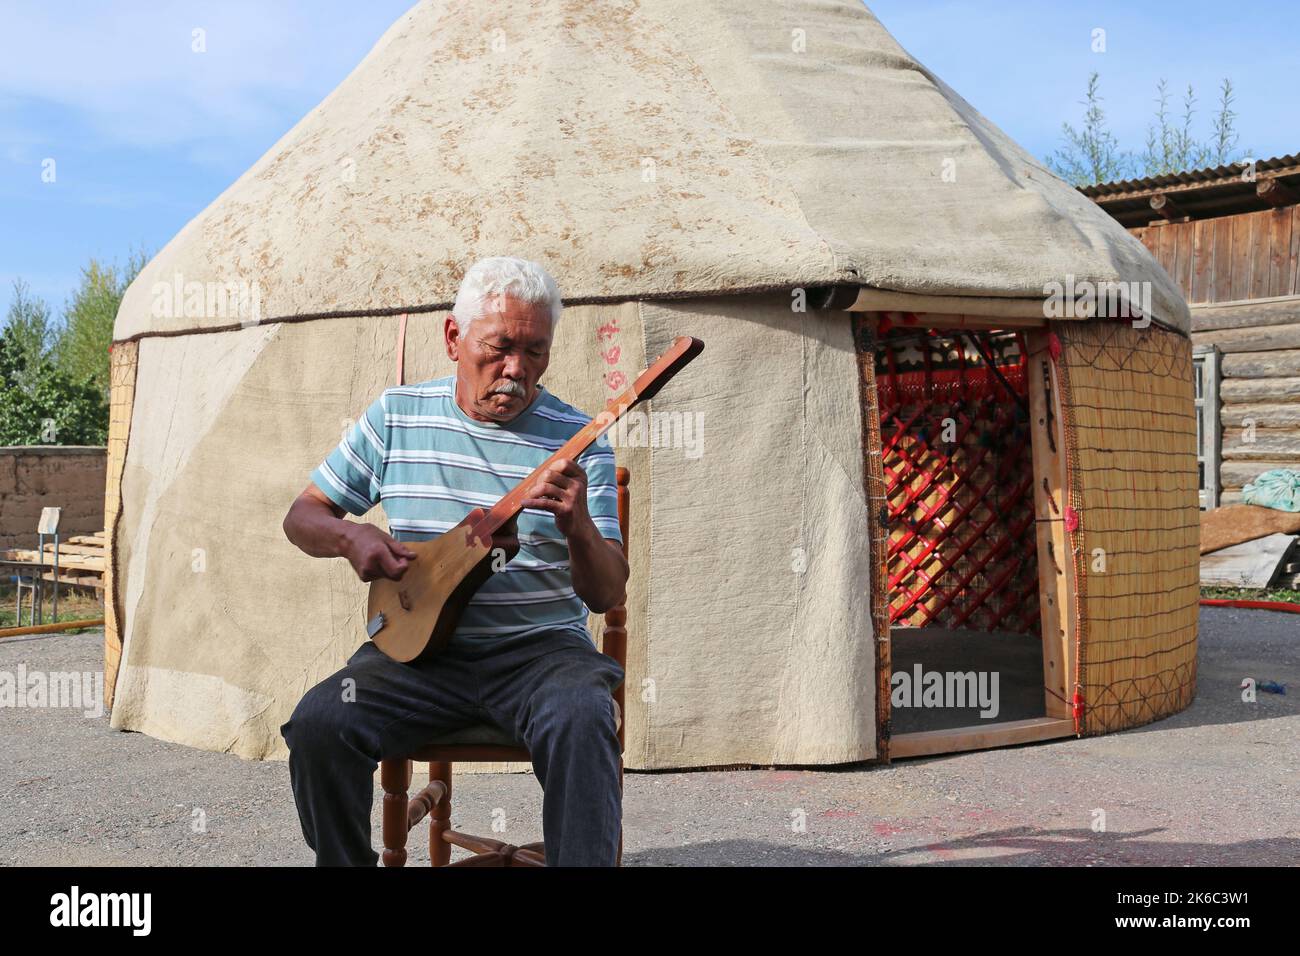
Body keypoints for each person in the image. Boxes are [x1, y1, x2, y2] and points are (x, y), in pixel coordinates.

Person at [279, 256, 629, 866]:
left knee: (582, 715)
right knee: (320, 722)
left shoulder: (581, 439)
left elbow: (606, 593)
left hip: (542, 654)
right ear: (452, 338)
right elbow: (303, 517)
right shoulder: (397, 417)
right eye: (498, 348)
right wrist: (353, 537)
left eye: (536, 352)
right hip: (416, 656)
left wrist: (577, 527)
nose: (516, 370)